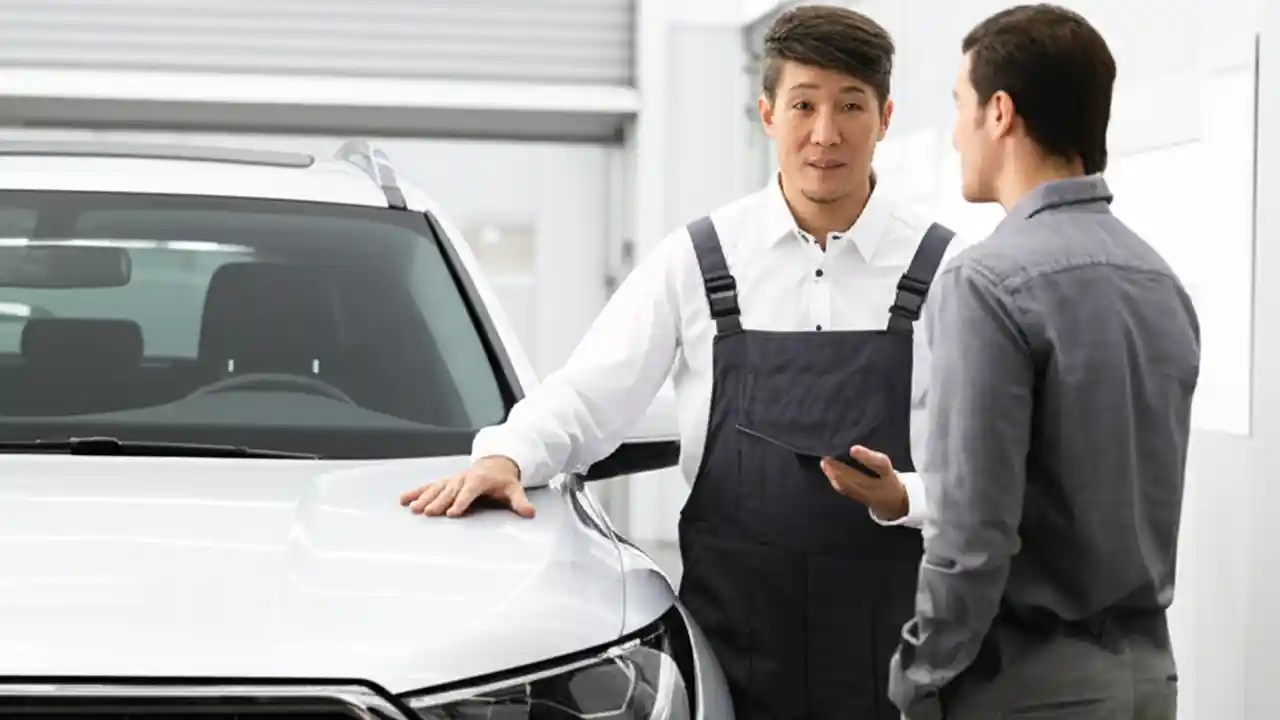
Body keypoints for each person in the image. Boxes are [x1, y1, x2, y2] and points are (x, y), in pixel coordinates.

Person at [399, 5, 972, 718]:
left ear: (884, 117)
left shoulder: (949, 272)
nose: (825, 133)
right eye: (803, 105)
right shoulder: (701, 263)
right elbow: (589, 395)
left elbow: (990, 476)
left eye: (850, 106)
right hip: (730, 663)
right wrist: (508, 457)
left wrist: (906, 498)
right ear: (767, 113)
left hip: (894, 669)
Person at [885, 5, 1201, 720]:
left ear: (1001, 113)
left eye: (960, 106)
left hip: (1024, 688)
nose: (957, 131)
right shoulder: (1159, 281)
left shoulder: (985, 285)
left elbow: (972, 535)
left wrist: (919, 672)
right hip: (1150, 682)